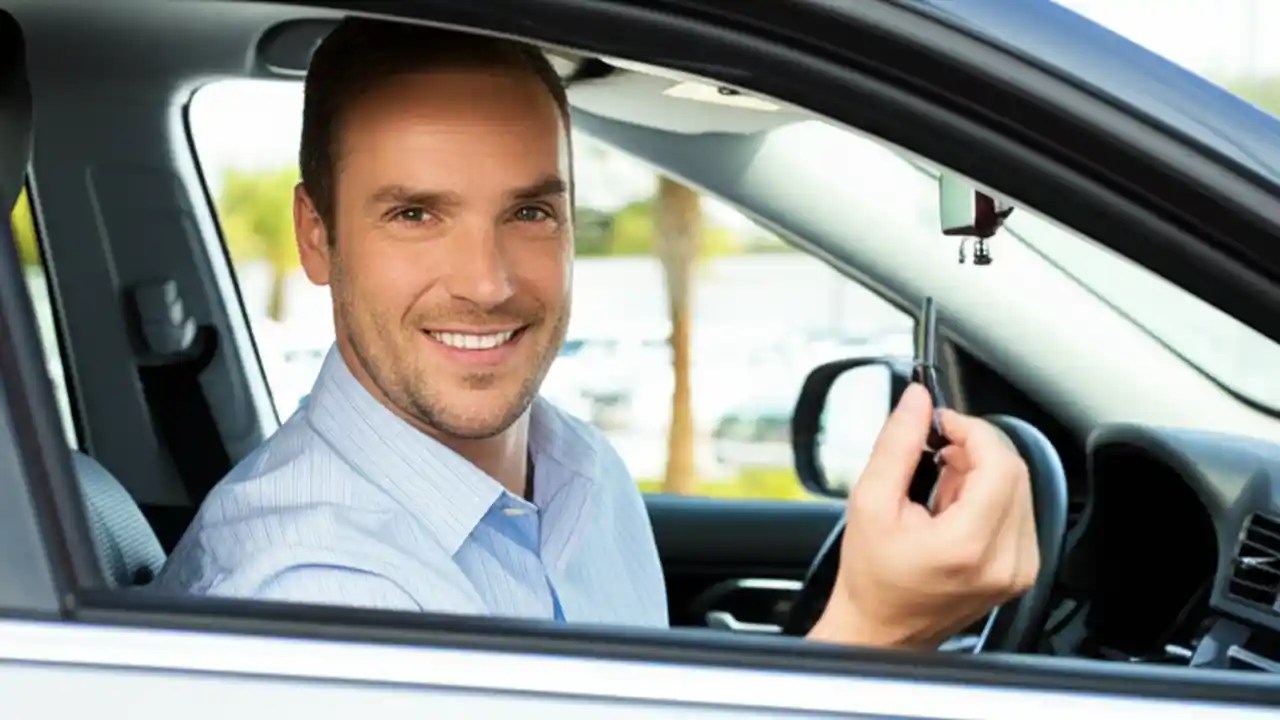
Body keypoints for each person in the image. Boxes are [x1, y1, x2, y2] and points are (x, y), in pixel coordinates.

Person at [156, 17, 1038, 650]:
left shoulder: (582, 469)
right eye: (417, 213)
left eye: (531, 211)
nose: (488, 282)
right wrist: (873, 637)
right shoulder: (309, 596)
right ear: (318, 235)